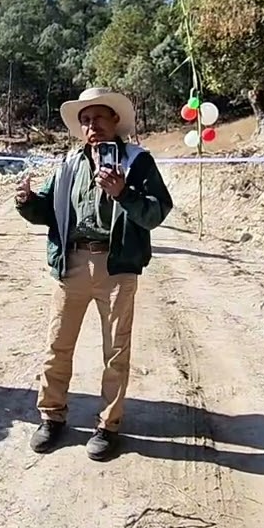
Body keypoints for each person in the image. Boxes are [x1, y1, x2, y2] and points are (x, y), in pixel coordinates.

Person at [15, 87, 173, 461]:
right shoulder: (70, 164)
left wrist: (123, 193)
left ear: (115, 121)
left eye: (99, 118)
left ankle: (108, 424)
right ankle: (52, 417)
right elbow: (49, 213)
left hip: (116, 267)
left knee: (115, 351)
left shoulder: (137, 163)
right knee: (58, 344)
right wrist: (27, 201)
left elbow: (156, 213)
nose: (92, 126)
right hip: (72, 262)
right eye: (85, 121)